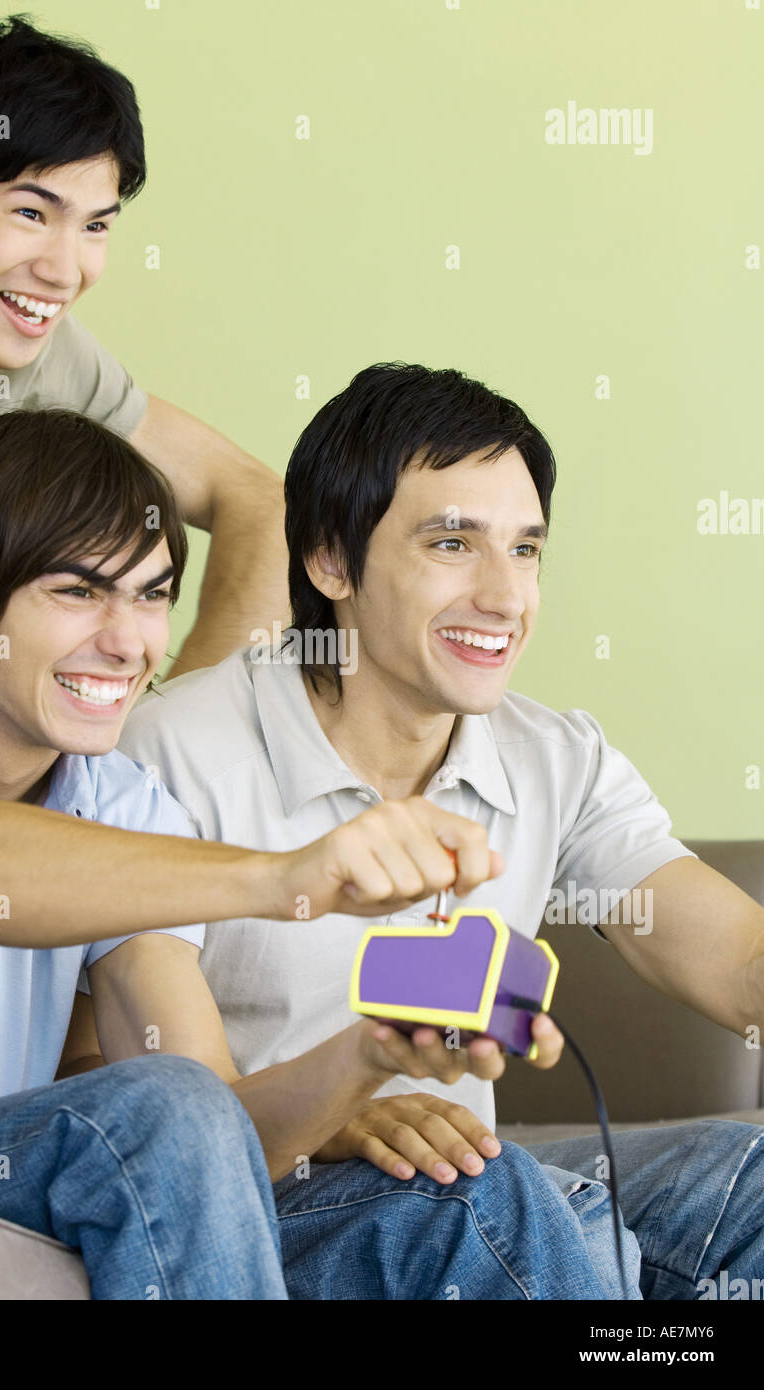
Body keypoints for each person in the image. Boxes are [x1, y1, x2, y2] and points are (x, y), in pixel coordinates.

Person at [0, 406, 625, 1301]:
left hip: (6, 1184)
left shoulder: (126, 803)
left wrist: (371, 1056)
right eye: (77, 592)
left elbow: (213, 1122)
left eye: (150, 594)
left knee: (193, 1105)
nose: (128, 641)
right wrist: (284, 878)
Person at [119, 361, 764, 1299]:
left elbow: (732, 954)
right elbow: (104, 1086)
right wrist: (335, 1119)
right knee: (482, 1203)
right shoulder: (169, 755)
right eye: (453, 543)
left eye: (526, 549)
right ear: (330, 559)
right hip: (266, 1208)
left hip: (475, 1190)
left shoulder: (554, 756)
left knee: (744, 1178)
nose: (505, 598)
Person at [0, 14, 286, 675]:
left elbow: (258, 502)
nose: (63, 268)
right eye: (31, 213)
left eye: (94, 226)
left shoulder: (34, 356)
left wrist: (185, 731)